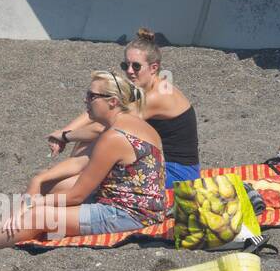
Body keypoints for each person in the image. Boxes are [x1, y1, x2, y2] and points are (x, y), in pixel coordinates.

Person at [0, 71, 166, 250]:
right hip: (140, 205)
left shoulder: (114, 137)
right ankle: (2, 229)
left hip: (130, 214)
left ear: (112, 102)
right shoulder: (130, 126)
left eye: (92, 96)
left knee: (40, 215)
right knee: (53, 187)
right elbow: (82, 164)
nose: (85, 100)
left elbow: (78, 196)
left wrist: (33, 204)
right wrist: (42, 179)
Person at [41, 27, 199, 186]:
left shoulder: (158, 96)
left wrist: (65, 137)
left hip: (177, 174)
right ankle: (69, 179)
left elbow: (105, 128)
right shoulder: (143, 86)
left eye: (136, 66)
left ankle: (72, 185)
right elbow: (98, 107)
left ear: (154, 68)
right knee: (86, 142)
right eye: (126, 65)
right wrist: (64, 131)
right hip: (156, 161)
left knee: (102, 140)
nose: (129, 71)